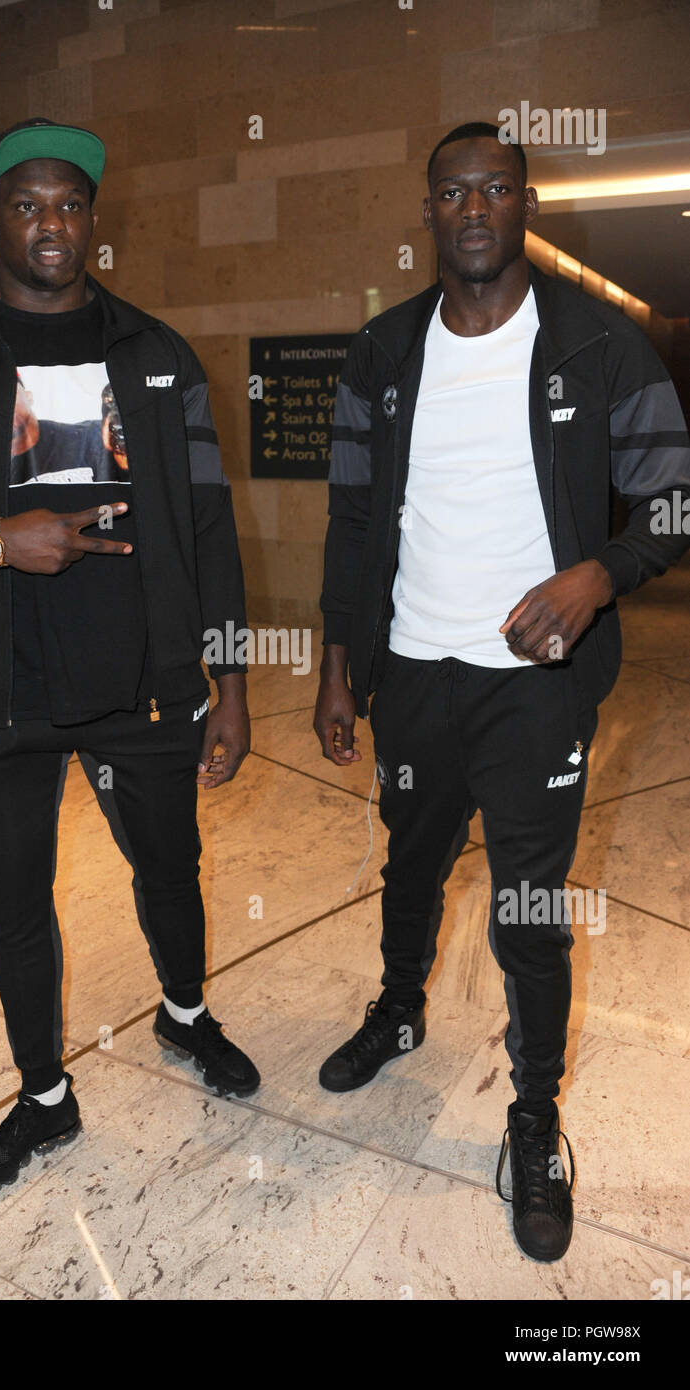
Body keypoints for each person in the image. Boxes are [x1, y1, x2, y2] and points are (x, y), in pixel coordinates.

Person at [0, 117, 258, 1199]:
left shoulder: (158, 356)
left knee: (170, 871)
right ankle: (43, 1098)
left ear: (93, 219)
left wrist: (234, 681)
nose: (49, 224)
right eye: (25, 205)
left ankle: (184, 1015)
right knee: (16, 901)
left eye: (68, 204)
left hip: (146, 685)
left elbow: (209, 526)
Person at [313, 122, 690, 1261]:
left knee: (529, 905)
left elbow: (674, 506)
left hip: (536, 686)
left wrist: (598, 574)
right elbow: (347, 521)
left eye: (494, 188)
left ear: (525, 201)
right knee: (409, 859)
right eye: (450, 191)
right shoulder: (381, 352)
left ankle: (532, 1116)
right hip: (414, 676)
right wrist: (340, 665)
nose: (472, 208)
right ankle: (397, 1005)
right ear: (426, 210)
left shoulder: (600, 348)